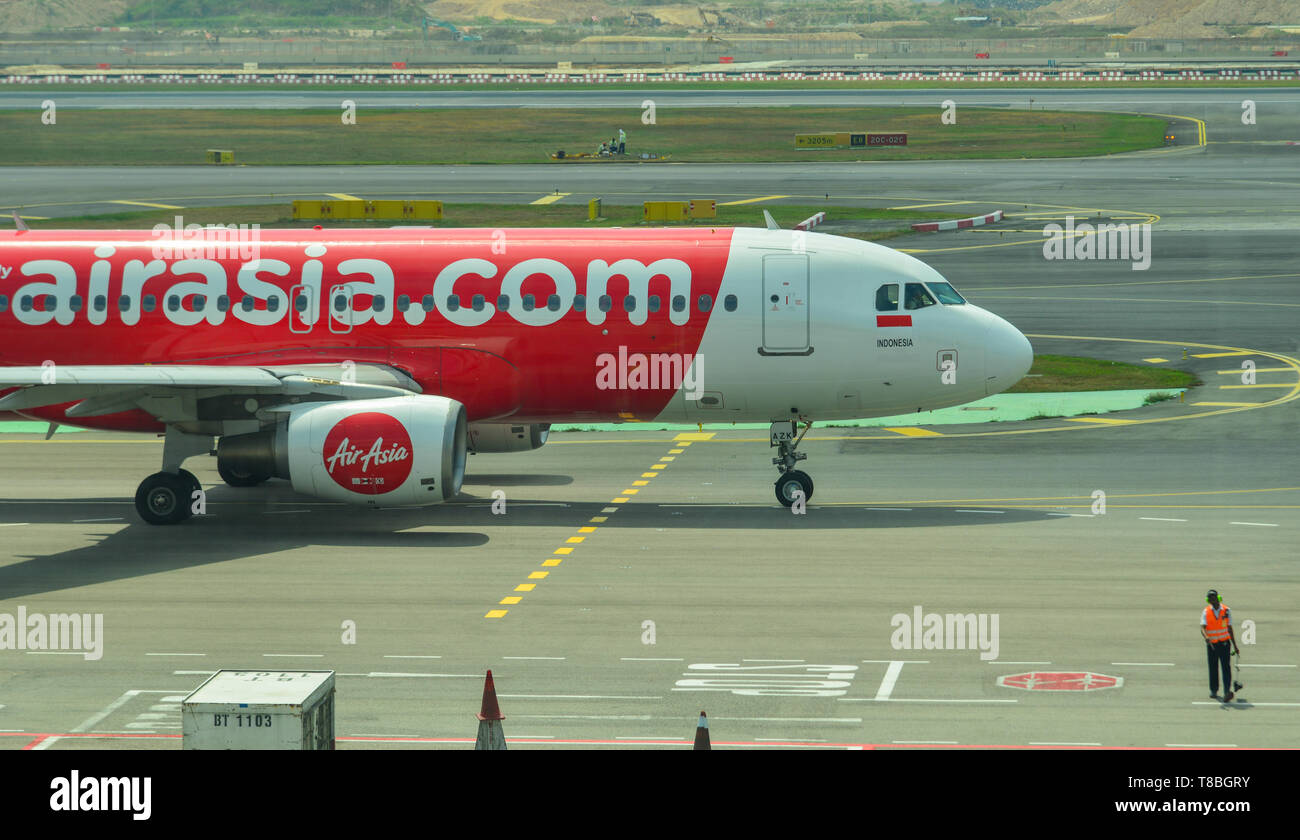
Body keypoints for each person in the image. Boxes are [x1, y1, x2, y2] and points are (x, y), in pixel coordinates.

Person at [1200, 589, 1238, 701]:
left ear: (1218, 597)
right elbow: (1202, 627)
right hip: (1212, 644)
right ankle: (1213, 690)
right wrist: (1206, 637)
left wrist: (1235, 645)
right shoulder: (1206, 612)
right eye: (1210, 598)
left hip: (1225, 644)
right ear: (1208, 600)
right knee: (1213, 667)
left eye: (1213, 597)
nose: (1212, 599)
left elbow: (1230, 628)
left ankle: (1227, 691)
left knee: (1226, 667)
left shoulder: (1226, 610)